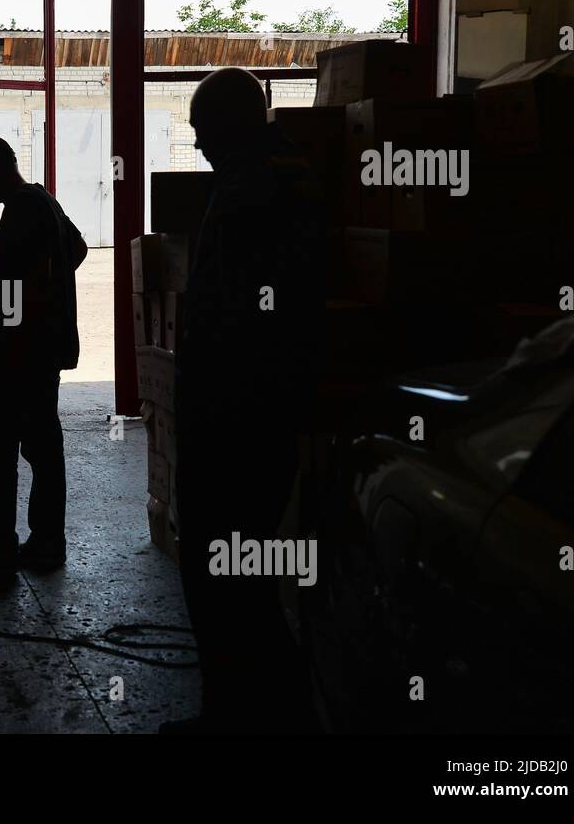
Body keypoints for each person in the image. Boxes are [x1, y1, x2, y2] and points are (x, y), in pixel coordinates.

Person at [164, 67, 324, 733]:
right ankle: (261, 709)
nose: (196, 143)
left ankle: (246, 713)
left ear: (229, 123)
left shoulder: (251, 187)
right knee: (241, 575)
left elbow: (236, 317)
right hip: (254, 413)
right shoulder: (273, 171)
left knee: (223, 573)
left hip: (235, 419)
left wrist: (203, 405)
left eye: (202, 129)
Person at [0, 136, 88, 576]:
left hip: (22, 355)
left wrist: (22, 320)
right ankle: (44, 543)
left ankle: (3, 545)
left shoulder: (26, 208)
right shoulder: (41, 200)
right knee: (40, 446)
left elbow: (32, 280)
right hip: (38, 352)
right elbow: (78, 249)